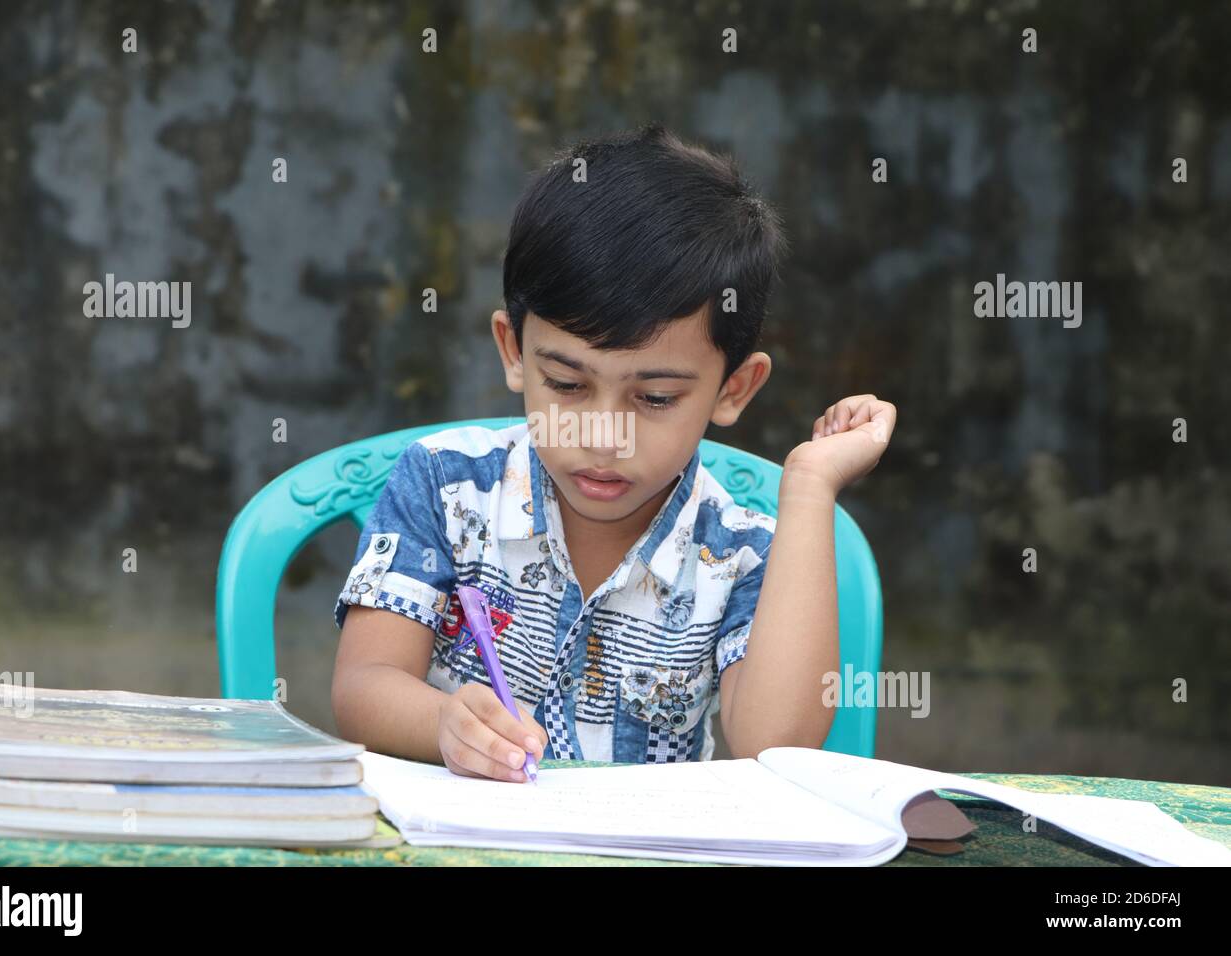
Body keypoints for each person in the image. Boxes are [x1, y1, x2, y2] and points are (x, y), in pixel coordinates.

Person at [331, 123, 896, 781]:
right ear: (514, 350)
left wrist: (808, 486)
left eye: (654, 398)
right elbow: (362, 687)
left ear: (733, 389)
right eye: (568, 384)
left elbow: (775, 742)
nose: (603, 436)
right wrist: (442, 725)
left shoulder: (739, 553)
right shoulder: (445, 487)